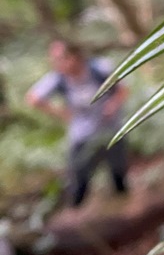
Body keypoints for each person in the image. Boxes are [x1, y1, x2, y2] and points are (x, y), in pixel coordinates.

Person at [25, 39, 130, 207]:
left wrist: (113, 104)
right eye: (55, 60)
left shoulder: (99, 68)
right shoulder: (58, 79)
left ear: (75, 56)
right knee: (79, 170)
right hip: (82, 131)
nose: (59, 64)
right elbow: (33, 98)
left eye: (62, 58)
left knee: (117, 166)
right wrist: (61, 113)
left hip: (111, 127)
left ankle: (123, 201)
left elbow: (123, 89)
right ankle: (77, 207)